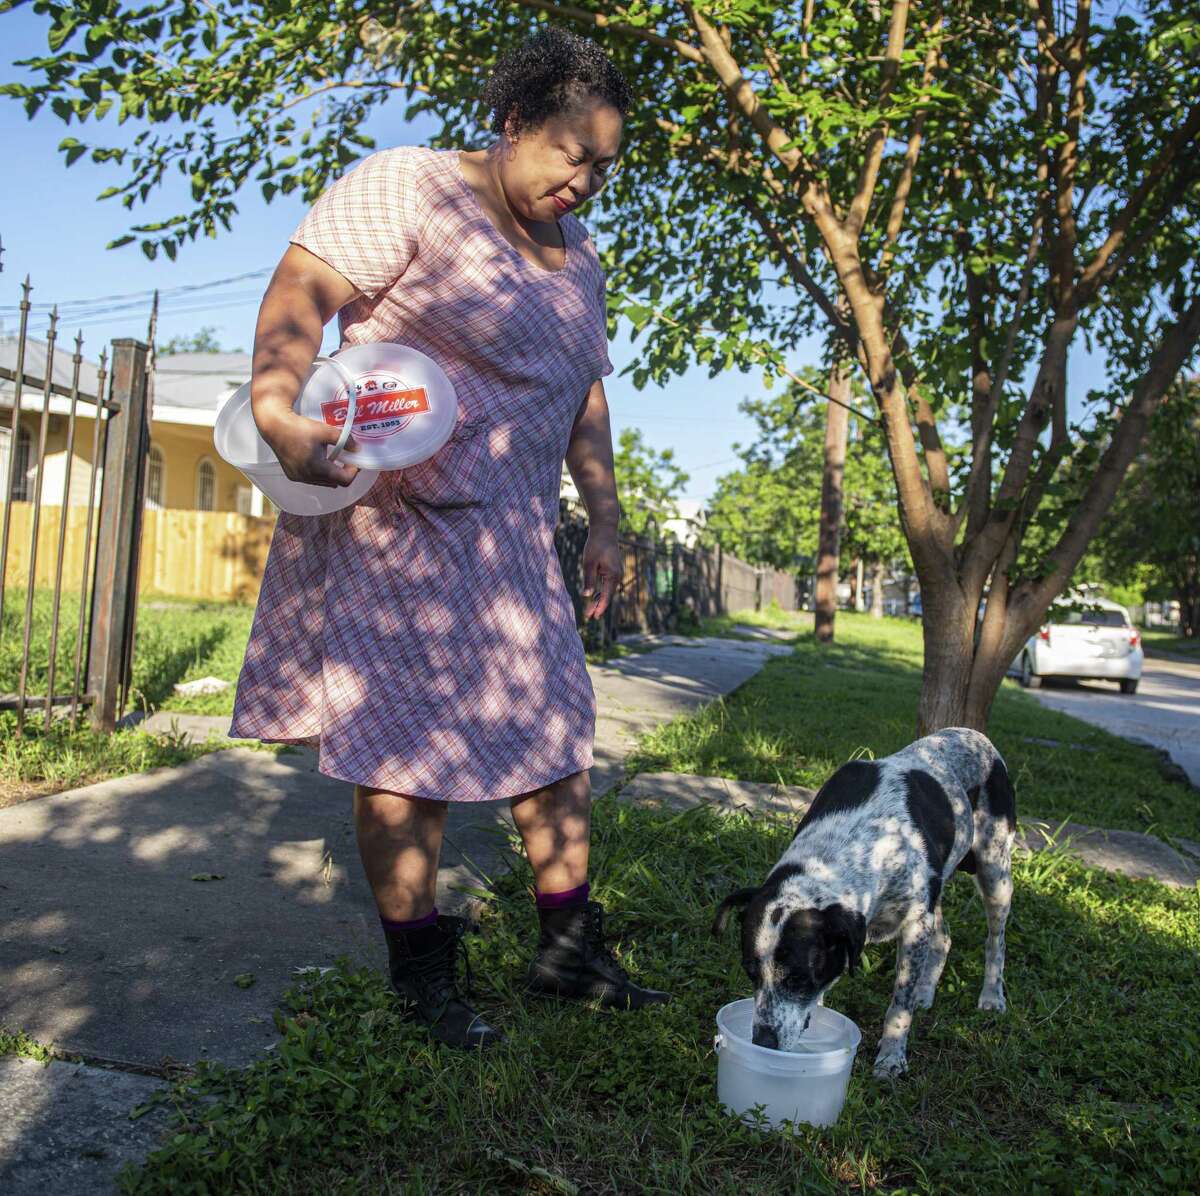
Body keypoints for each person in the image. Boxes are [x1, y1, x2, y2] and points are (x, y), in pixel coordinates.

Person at [229, 27, 669, 1049]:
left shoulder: (580, 256)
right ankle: (422, 974)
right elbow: (302, 292)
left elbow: (583, 391)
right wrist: (278, 407)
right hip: (400, 523)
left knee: (557, 732)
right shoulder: (410, 189)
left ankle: (567, 949)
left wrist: (603, 512)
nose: (588, 179)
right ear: (514, 122)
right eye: (573, 152)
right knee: (405, 758)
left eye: (606, 163)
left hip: (514, 532)